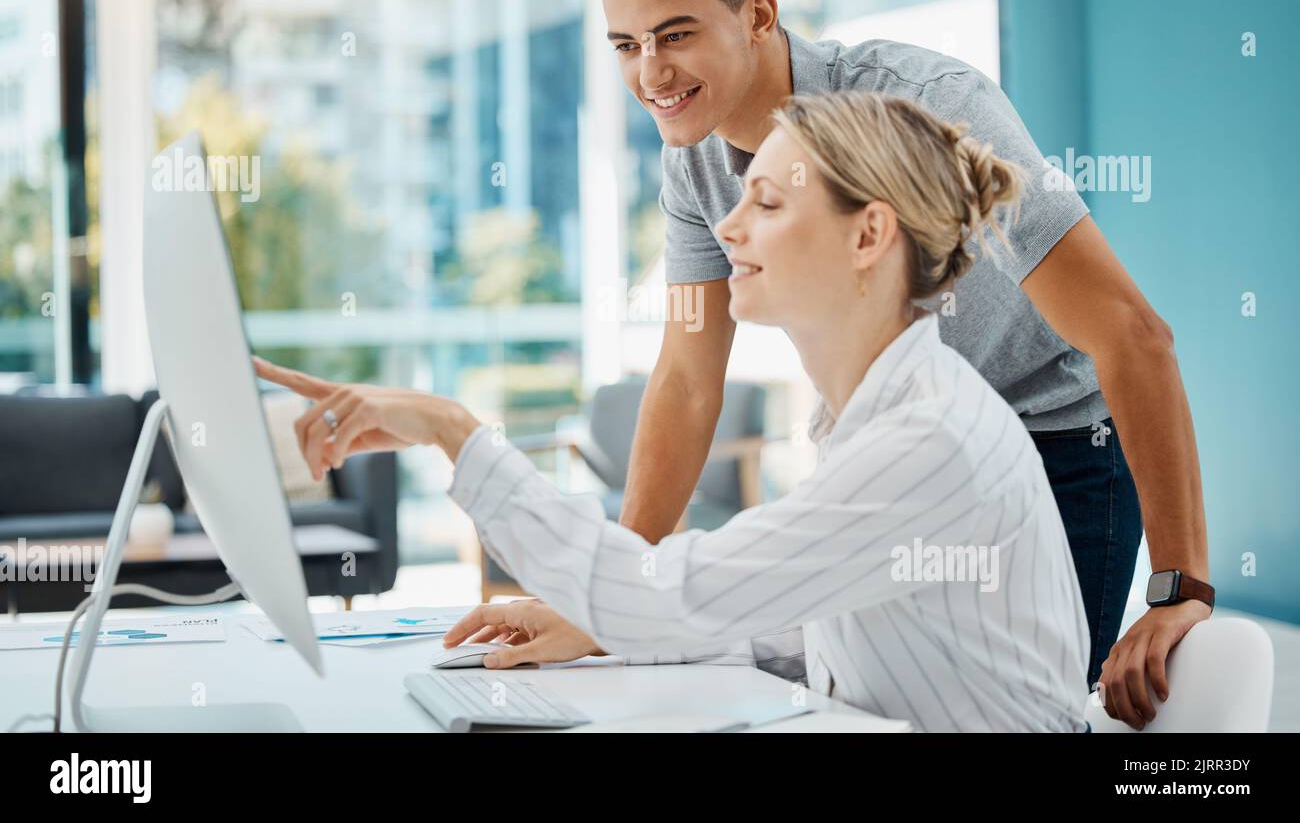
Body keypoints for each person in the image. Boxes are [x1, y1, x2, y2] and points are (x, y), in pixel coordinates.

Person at [256, 91, 1090, 732]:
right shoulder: (872, 415)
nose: (728, 226)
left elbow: (667, 591)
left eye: (767, 203)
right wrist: (595, 626)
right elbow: (810, 623)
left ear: (868, 236)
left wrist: (452, 429)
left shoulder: (927, 438)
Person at [593, 0, 1211, 729]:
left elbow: (1132, 333)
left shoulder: (924, 104)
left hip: (1056, 453)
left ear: (760, 13)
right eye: (627, 45)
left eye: (675, 35)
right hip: (892, 460)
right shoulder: (694, 164)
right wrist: (620, 594)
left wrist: (1181, 586)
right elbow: (687, 376)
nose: (650, 74)